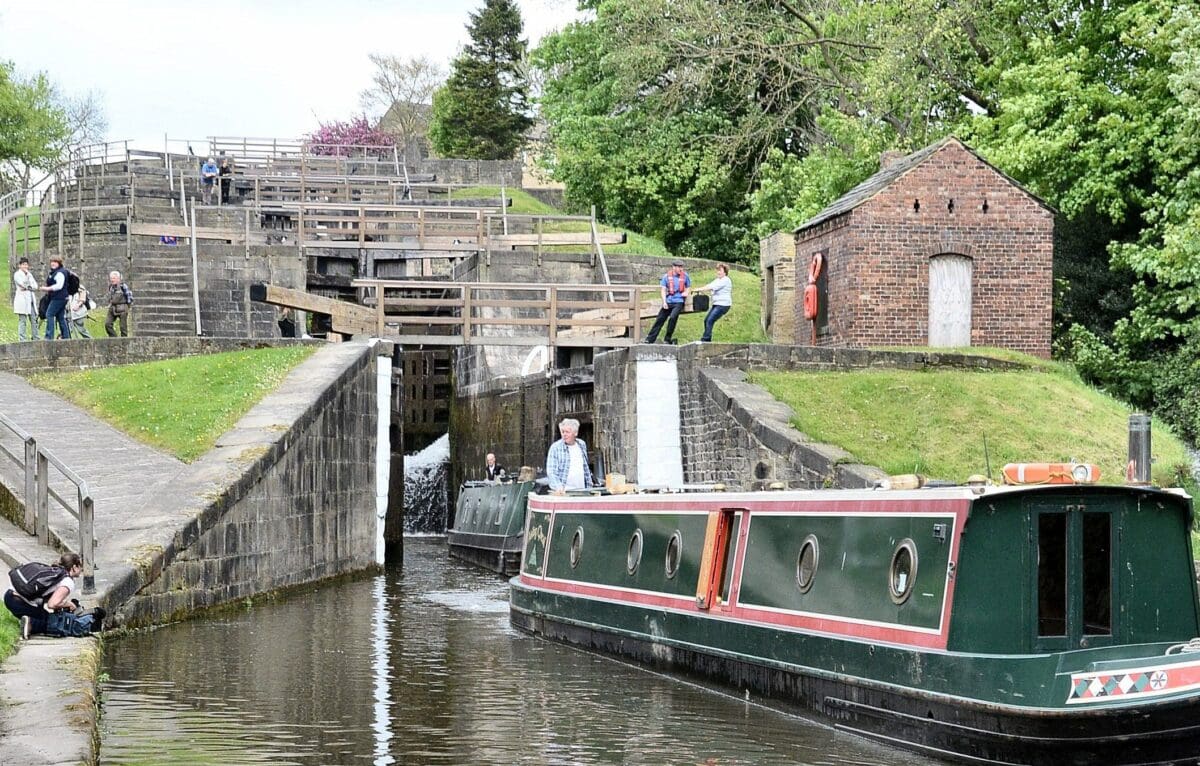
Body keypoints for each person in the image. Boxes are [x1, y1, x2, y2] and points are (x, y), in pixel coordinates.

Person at [3, 553, 102, 639]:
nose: (81, 570)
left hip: (9, 596)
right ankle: (30, 624)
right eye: (80, 567)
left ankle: (27, 620)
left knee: (44, 614)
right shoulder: (68, 581)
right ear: (74, 567)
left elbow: (47, 597)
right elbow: (52, 604)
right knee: (52, 622)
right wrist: (68, 604)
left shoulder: (55, 571)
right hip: (18, 602)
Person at [644, 260, 690, 344]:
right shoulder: (666, 277)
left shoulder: (685, 276)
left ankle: (667, 338)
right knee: (660, 319)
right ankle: (650, 339)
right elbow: (663, 290)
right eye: (679, 267)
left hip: (679, 301)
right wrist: (664, 302)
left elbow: (688, 286)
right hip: (669, 301)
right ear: (674, 267)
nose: (681, 269)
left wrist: (686, 292)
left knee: (673, 318)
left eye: (681, 267)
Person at [545, 418, 594, 493]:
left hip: (582, 490)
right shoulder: (555, 448)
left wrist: (590, 486)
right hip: (565, 492)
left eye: (567, 432)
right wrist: (558, 487)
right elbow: (551, 471)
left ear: (575, 433)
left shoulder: (582, 444)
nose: (564, 434)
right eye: (563, 432)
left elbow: (585, 467)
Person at [696, 264, 733, 342]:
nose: (718, 272)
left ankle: (705, 340)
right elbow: (709, 285)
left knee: (710, 320)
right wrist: (699, 289)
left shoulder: (726, 280)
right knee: (706, 320)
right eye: (717, 270)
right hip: (717, 304)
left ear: (725, 272)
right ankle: (707, 340)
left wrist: (699, 289)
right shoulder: (718, 280)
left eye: (720, 270)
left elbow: (711, 287)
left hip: (723, 305)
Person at [39, 256, 71, 340]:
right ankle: (66, 336)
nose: (53, 263)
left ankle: (49, 336)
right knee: (60, 317)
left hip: (59, 297)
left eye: (55, 262)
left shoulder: (60, 273)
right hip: (61, 297)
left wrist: (46, 288)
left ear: (59, 263)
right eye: (52, 262)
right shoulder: (55, 272)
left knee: (49, 314)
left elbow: (59, 286)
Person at [12, 256, 40, 341]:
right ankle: (22, 339)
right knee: (22, 320)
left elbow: (35, 286)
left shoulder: (29, 274)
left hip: (30, 300)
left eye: (26, 265)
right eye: (23, 265)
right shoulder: (17, 274)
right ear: (20, 266)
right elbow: (22, 284)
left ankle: (36, 337)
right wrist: (28, 286)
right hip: (22, 300)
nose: (25, 266)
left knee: (34, 320)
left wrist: (28, 287)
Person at [105, 270, 133, 337]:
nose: (112, 280)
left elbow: (129, 296)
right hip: (113, 307)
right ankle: (114, 338)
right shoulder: (111, 287)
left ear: (118, 278)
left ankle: (124, 341)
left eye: (114, 278)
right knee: (107, 324)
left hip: (122, 307)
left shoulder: (123, 286)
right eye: (111, 278)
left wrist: (128, 306)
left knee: (123, 327)